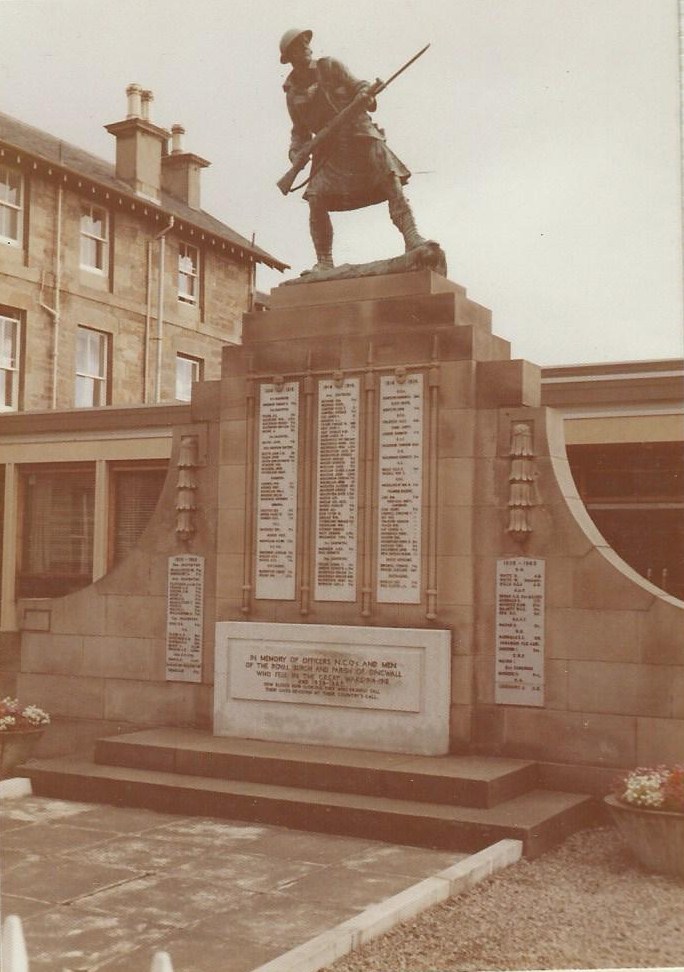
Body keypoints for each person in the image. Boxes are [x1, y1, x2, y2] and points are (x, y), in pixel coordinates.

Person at [279, 28, 426, 274]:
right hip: (329, 150)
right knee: (316, 197)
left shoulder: (330, 66)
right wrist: (297, 154)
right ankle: (324, 261)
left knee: (390, 178)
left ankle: (412, 238)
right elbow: (299, 131)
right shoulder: (292, 94)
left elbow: (361, 86)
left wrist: (364, 96)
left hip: (359, 134)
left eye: (307, 42)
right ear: (290, 55)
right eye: (299, 44)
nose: (306, 45)